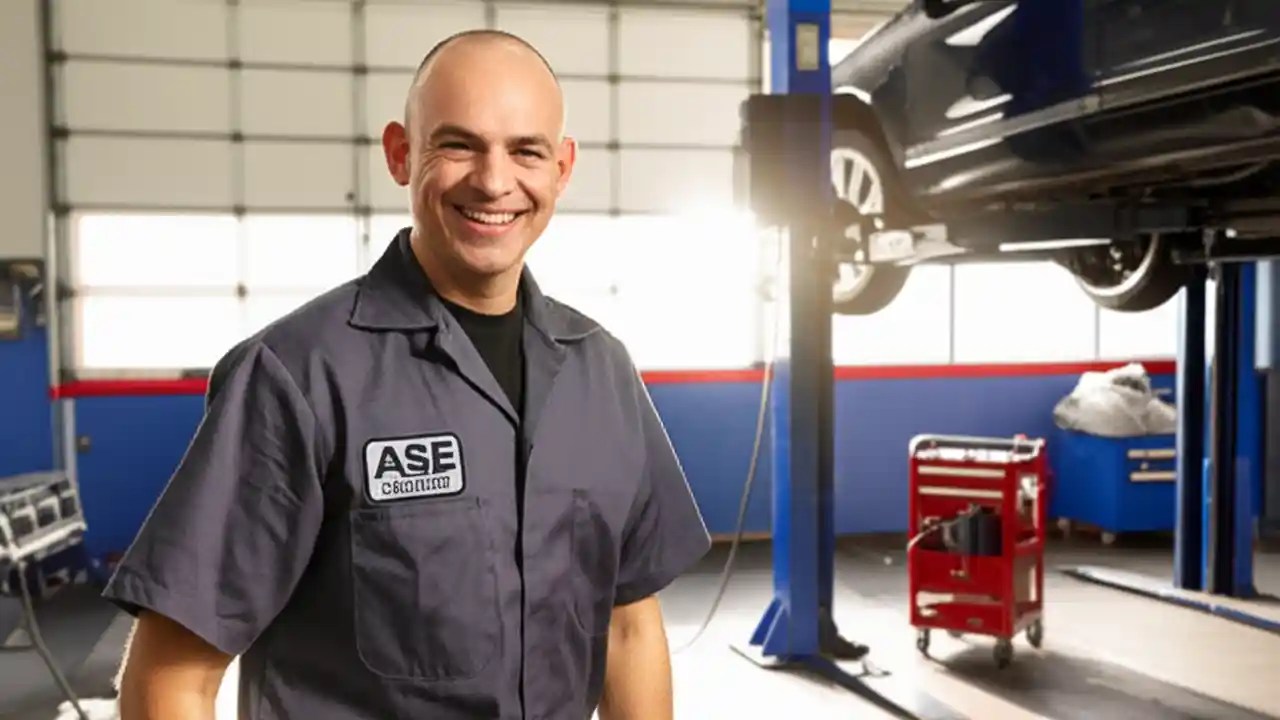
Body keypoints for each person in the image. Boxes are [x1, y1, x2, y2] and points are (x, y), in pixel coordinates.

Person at [103, 29, 711, 720]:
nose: (493, 180)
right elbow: (170, 676)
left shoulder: (602, 373)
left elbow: (627, 627)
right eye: (458, 144)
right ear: (400, 153)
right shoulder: (298, 376)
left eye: (526, 151)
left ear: (563, 168)